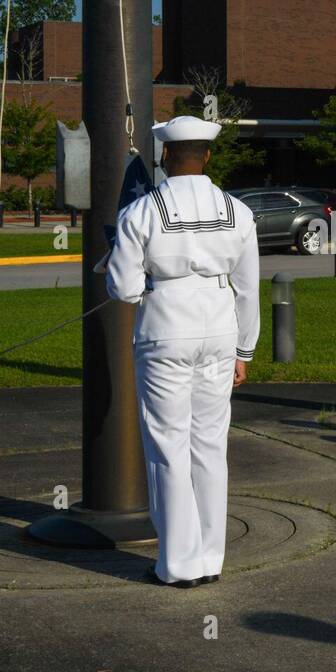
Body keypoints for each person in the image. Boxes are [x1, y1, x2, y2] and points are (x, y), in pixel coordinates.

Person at [105, 115, 260, 588]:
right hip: (218, 332)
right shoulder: (239, 211)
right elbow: (248, 289)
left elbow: (124, 290)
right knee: (210, 446)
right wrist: (245, 351)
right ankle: (211, 558)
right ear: (207, 155)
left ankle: (178, 563)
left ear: (165, 156)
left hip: (166, 330)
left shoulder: (142, 211)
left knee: (168, 446)